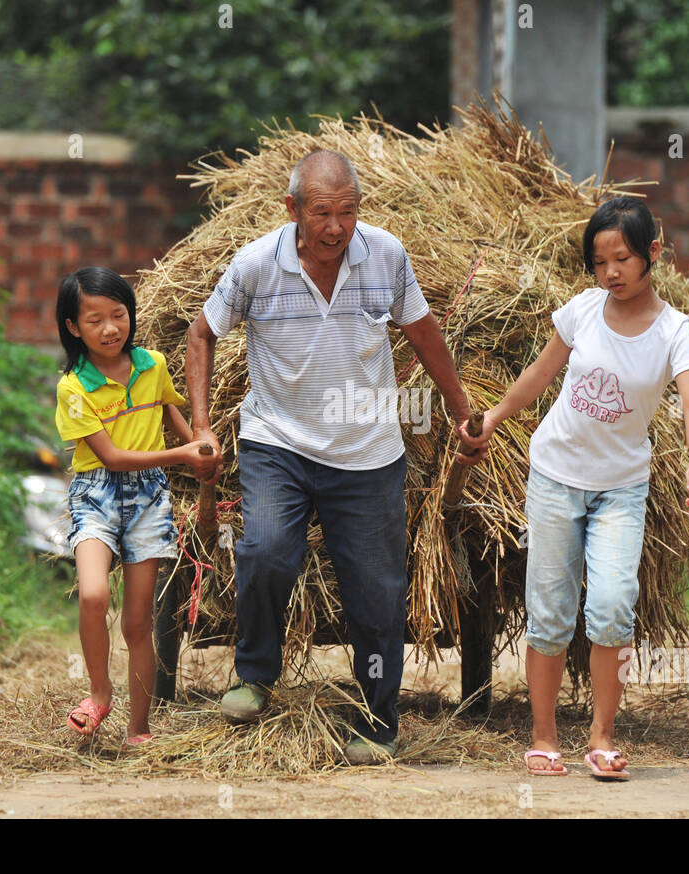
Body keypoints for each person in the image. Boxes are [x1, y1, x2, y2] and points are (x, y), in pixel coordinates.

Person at [185, 150, 484, 764]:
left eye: (347, 212)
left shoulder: (386, 256)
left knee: (376, 589)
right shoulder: (255, 265)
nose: (335, 228)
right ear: (292, 209)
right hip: (278, 441)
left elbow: (423, 331)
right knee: (265, 550)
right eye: (321, 213)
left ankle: (378, 720)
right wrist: (199, 426)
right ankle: (255, 676)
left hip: (368, 450)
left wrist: (458, 407)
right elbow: (201, 333)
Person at [458, 197, 689, 780]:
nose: (610, 274)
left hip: (622, 487)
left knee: (613, 607)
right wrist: (493, 417)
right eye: (599, 264)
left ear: (653, 252)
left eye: (621, 258)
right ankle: (543, 738)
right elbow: (538, 376)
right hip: (555, 477)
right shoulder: (582, 312)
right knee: (549, 612)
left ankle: (602, 736)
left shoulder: (675, 331)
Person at [54, 266, 221, 744]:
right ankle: (100, 693)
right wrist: (182, 455)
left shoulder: (152, 364)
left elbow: (168, 412)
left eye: (118, 315)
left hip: (149, 497)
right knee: (93, 595)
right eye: (94, 320)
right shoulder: (72, 388)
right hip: (96, 494)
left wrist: (200, 450)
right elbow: (110, 456)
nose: (110, 328)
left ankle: (139, 730)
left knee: (139, 621)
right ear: (72, 327)